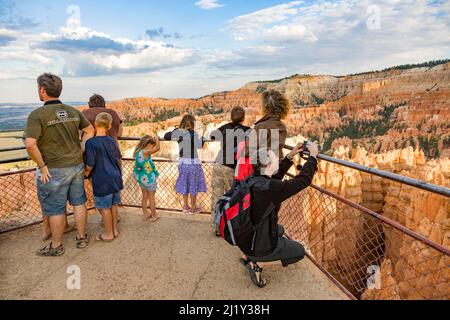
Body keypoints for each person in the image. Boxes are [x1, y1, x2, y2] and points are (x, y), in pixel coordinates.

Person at [25, 73, 95, 256]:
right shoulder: (72, 111)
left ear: (42, 90)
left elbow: (30, 144)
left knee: (55, 208)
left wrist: (41, 166)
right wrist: (81, 148)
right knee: (79, 203)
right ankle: (81, 238)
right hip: (76, 165)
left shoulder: (37, 115)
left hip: (53, 169)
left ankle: (56, 246)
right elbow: (89, 130)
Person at [240, 141, 319, 288]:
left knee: (280, 229)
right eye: (276, 159)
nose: (278, 159)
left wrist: (290, 156)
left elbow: (274, 177)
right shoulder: (271, 189)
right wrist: (313, 157)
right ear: (269, 165)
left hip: (245, 238)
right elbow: (303, 181)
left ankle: (246, 256)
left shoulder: (252, 180)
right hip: (257, 245)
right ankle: (258, 263)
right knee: (299, 252)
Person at [84, 113, 124, 241]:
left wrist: (85, 173)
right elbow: (118, 157)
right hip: (115, 177)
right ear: (110, 126)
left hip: (102, 179)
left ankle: (108, 234)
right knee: (113, 205)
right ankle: (114, 230)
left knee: (104, 207)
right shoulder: (112, 141)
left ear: (95, 124)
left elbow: (90, 163)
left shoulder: (90, 143)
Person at [210, 107, 251, 229]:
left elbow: (212, 136)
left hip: (218, 164)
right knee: (230, 198)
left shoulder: (225, 127)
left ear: (231, 117)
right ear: (243, 118)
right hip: (232, 168)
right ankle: (227, 226)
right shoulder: (247, 130)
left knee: (216, 196)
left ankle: (216, 225)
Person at [164, 114, 206, 215]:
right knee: (193, 185)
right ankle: (193, 208)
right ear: (192, 123)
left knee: (185, 184)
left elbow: (166, 136)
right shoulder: (194, 133)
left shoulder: (179, 133)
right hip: (193, 163)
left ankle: (185, 206)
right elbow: (200, 145)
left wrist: (175, 130)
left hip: (183, 163)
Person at [254, 90, 290, 159]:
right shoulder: (282, 126)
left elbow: (248, 150)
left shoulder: (261, 126)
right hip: (277, 164)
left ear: (265, 108)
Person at [133, 135, 160, 222]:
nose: (153, 147)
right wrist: (157, 139)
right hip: (149, 179)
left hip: (141, 179)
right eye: (152, 145)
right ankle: (154, 216)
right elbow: (157, 148)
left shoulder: (138, 152)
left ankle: (145, 215)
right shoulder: (146, 152)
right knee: (151, 198)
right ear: (148, 144)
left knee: (144, 196)